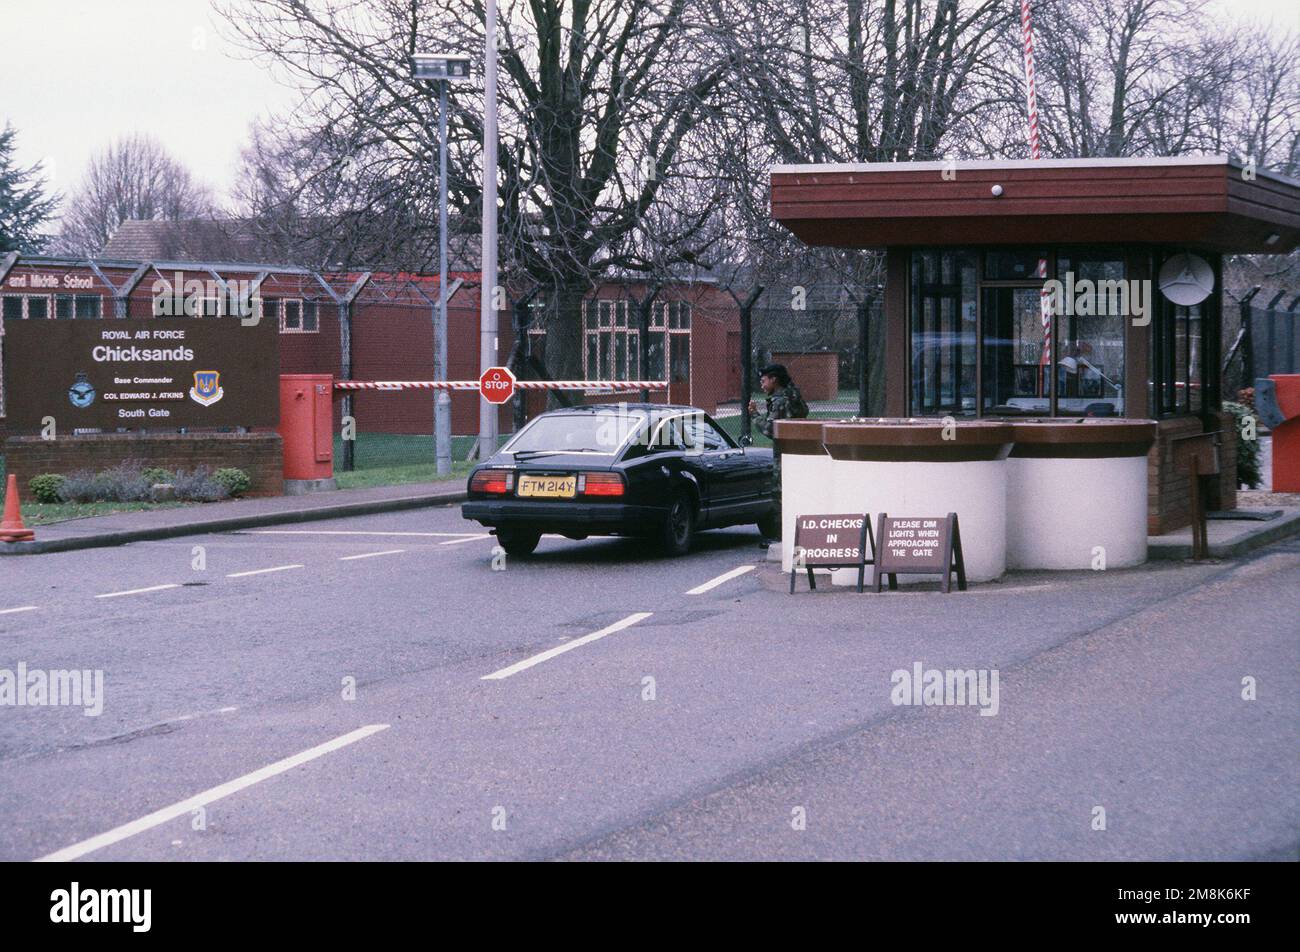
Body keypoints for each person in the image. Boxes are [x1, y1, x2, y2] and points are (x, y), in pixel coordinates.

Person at [747, 363, 808, 544]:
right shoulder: (794, 395)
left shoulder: (779, 400)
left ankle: (782, 537)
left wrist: (755, 415)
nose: (762, 385)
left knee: (779, 494)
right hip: (798, 452)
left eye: (764, 380)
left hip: (783, 454)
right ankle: (796, 535)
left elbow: (771, 429)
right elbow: (804, 412)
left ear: (774, 379)